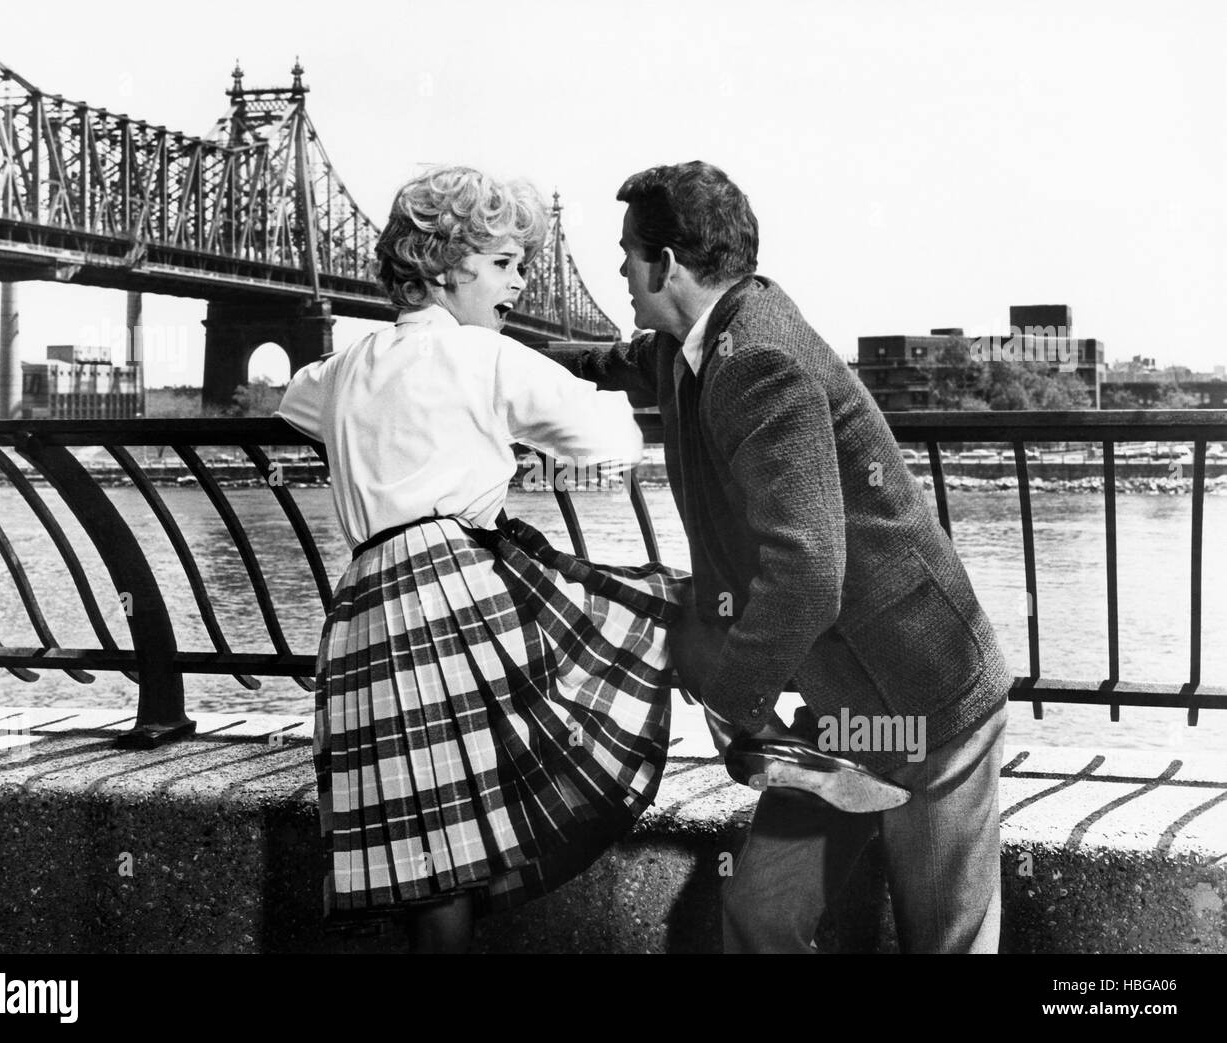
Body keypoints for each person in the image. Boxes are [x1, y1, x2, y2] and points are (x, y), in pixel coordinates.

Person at [562, 160, 1010, 954]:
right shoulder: (684, 349)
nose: (619, 269)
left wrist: (732, 699)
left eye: (627, 252)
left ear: (666, 264)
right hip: (837, 713)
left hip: (924, 696)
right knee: (760, 915)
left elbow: (806, 574)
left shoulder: (758, 359)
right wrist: (493, 350)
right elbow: (613, 362)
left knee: (945, 944)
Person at [275, 165, 686, 953]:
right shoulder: (488, 359)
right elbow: (613, 441)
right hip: (452, 595)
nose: (523, 284)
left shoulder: (345, 367)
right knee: (640, 621)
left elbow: (294, 401)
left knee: (424, 850)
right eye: (504, 263)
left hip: (361, 614)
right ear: (442, 265)